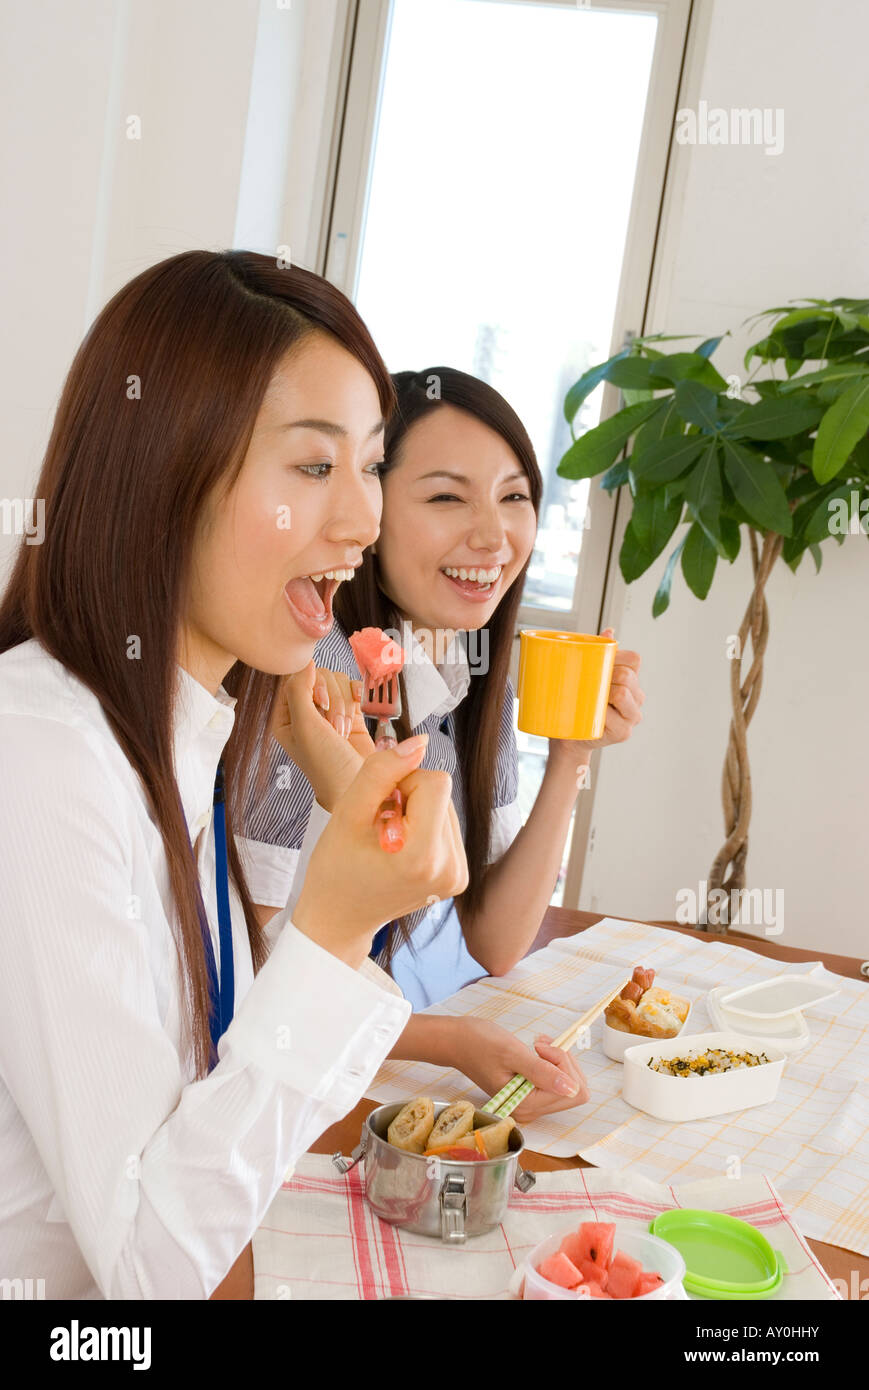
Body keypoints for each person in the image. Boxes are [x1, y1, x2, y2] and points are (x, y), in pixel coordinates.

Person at [0, 252, 469, 1299]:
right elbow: (148, 1269)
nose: (360, 523)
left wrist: (338, 785)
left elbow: (214, 1104)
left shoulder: (183, 740)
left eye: (368, 466)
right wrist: (336, 930)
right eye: (312, 468)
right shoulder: (39, 754)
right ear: (164, 469)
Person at [240, 367, 645, 1115]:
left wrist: (571, 756)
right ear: (367, 511)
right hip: (279, 1086)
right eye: (445, 497)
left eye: (514, 496)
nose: (493, 538)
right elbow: (248, 972)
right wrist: (449, 1041)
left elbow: (494, 941)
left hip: (362, 1061)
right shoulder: (310, 671)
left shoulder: (463, 666)